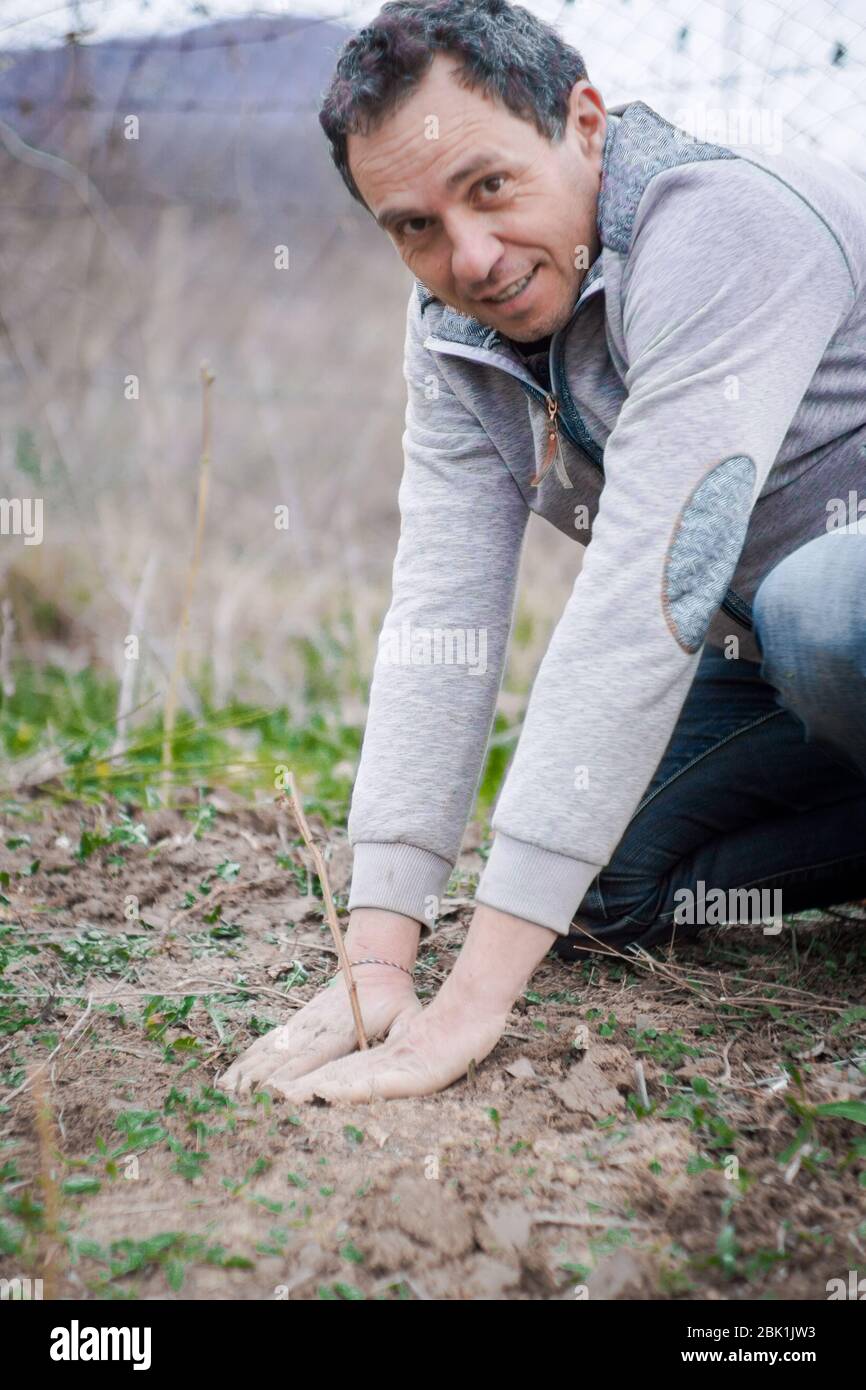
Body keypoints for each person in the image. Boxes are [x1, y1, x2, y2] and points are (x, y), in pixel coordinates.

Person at [219, 0, 866, 1104]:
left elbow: (648, 590)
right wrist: (378, 961)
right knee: (600, 883)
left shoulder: (716, 224)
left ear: (582, 123)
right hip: (769, 648)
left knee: (822, 609)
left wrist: (468, 1010)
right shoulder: (459, 334)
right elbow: (439, 615)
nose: (467, 257)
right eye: (412, 226)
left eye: (489, 187)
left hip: (827, 612)